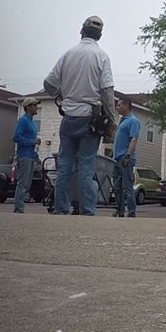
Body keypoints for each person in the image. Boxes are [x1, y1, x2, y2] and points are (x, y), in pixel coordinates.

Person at [43, 15, 117, 216]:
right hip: (90, 118)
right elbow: (107, 90)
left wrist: (61, 95)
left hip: (68, 116)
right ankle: (87, 212)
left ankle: (60, 209)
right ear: (99, 36)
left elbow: (48, 84)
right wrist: (111, 118)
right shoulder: (101, 57)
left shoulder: (68, 55)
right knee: (86, 165)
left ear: (81, 31)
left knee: (64, 166)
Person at [11, 97, 42, 213]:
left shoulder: (31, 122)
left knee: (27, 185)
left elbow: (31, 142)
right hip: (23, 156)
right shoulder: (23, 120)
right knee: (22, 184)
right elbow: (16, 137)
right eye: (34, 105)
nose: (36, 107)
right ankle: (18, 210)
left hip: (30, 156)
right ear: (28, 107)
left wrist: (36, 156)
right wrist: (32, 141)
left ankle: (20, 208)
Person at [112, 96, 140, 218]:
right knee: (117, 186)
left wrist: (127, 155)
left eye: (119, 105)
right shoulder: (121, 121)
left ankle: (132, 212)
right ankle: (120, 210)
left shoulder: (133, 121)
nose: (117, 107)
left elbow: (134, 139)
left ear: (126, 106)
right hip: (116, 158)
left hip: (125, 158)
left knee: (127, 186)